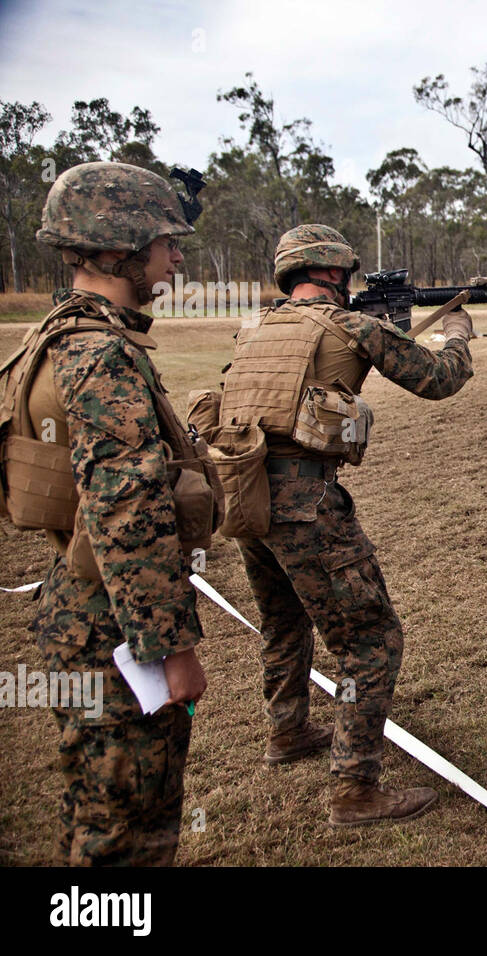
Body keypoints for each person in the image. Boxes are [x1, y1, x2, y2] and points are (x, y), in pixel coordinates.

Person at [218, 224, 473, 826]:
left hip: (244, 494)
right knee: (370, 640)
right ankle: (355, 788)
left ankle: (287, 732)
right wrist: (458, 330)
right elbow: (439, 379)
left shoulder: (255, 327)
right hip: (305, 502)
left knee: (283, 620)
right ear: (335, 272)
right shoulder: (352, 326)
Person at [0, 161, 216, 865]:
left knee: (95, 813)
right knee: (129, 833)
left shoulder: (52, 339)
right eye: (165, 241)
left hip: (80, 608)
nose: (176, 256)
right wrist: (170, 650)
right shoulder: (100, 356)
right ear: (122, 246)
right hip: (112, 634)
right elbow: (127, 514)